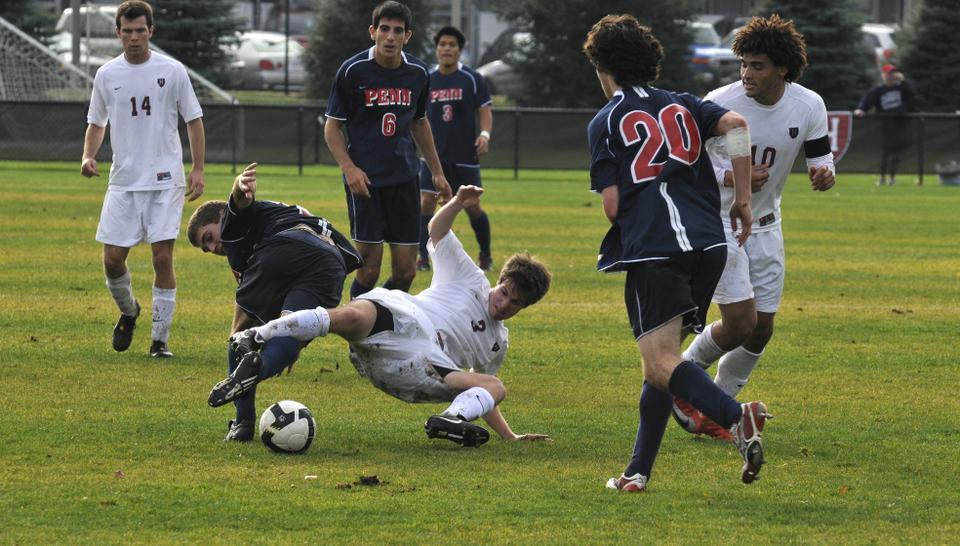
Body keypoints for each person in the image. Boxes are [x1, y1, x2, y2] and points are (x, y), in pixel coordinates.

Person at [207, 185, 551, 447]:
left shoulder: (497, 343)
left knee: (495, 385)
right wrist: (458, 202)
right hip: (402, 319)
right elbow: (436, 230)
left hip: (426, 366)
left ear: (524, 308)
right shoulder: (470, 279)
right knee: (351, 316)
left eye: (515, 304)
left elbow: (484, 394)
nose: (504, 304)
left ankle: (450, 420)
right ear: (500, 280)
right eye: (505, 292)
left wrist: (510, 436)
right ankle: (260, 335)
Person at [583, 14, 771, 492]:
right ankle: (636, 472)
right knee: (664, 362)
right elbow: (736, 124)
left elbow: (611, 207)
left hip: (656, 249)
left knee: (660, 362)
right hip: (708, 244)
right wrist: (744, 198)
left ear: (604, 68)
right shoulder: (686, 104)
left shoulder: (605, 121)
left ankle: (735, 416)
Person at [674, 15, 837, 440]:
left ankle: (713, 405)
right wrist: (732, 177)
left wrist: (824, 172)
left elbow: (820, 156)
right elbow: (689, 161)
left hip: (767, 225)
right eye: (743, 64)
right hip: (720, 224)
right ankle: (684, 380)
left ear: (783, 69)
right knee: (740, 322)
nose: (747, 73)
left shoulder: (809, 105)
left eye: (758, 65)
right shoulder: (720, 101)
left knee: (762, 329)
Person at [187, 162, 361, 441]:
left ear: (220, 216)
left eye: (208, 237)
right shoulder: (281, 212)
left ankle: (243, 423)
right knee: (289, 336)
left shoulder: (232, 224)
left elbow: (239, 200)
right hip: (329, 262)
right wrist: (290, 343)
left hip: (282, 248)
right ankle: (262, 366)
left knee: (240, 338)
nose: (212, 247)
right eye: (205, 248)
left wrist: (239, 185)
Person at [80, 0, 205, 358]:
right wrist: (88, 155)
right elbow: (96, 122)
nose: (134, 38)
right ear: (118, 32)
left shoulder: (173, 70)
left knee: (162, 258)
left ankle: (159, 341)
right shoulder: (106, 75)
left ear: (151, 31)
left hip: (166, 179)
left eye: (140, 30)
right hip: (123, 181)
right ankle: (129, 311)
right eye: (127, 31)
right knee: (112, 260)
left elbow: (193, 120)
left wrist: (198, 168)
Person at [324, 1, 452, 299]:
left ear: (408, 36)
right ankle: (358, 330)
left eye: (398, 31)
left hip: (405, 178)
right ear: (373, 32)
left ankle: (373, 317)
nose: (390, 37)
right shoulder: (352, 70)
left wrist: (437, 172)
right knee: (368, 269)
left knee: (406, 271)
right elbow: (332, 127)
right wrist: (349, 168)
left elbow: (420, 123)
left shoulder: (419, 72)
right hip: (365, 182)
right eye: (384, 29)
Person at [416, 26, 494, 272]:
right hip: (432, 156)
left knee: (472, 206)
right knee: (427, 201)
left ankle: (485, 254)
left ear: (460, 50)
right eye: (443, 44)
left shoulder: (472, 78)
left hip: (463, 154)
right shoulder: (427, 79)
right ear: (436, 49)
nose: (447, 49)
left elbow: (485, 110)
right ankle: (422, 257)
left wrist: (484, 134)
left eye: (452, 45)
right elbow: (417, 117)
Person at [854, 64, 917, 185]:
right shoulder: (878, 90)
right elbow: (867, 101)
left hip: (900, 124)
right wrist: (861, 109)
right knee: (886, 152)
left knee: (897, 152)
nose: (891, 76)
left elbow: (913, 93)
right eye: (888, 74)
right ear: (883, 75)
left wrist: (903, 80)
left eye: (892, 74)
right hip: (885, 126)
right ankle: (882, 177)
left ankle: (892, 178)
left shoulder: (901, 88)